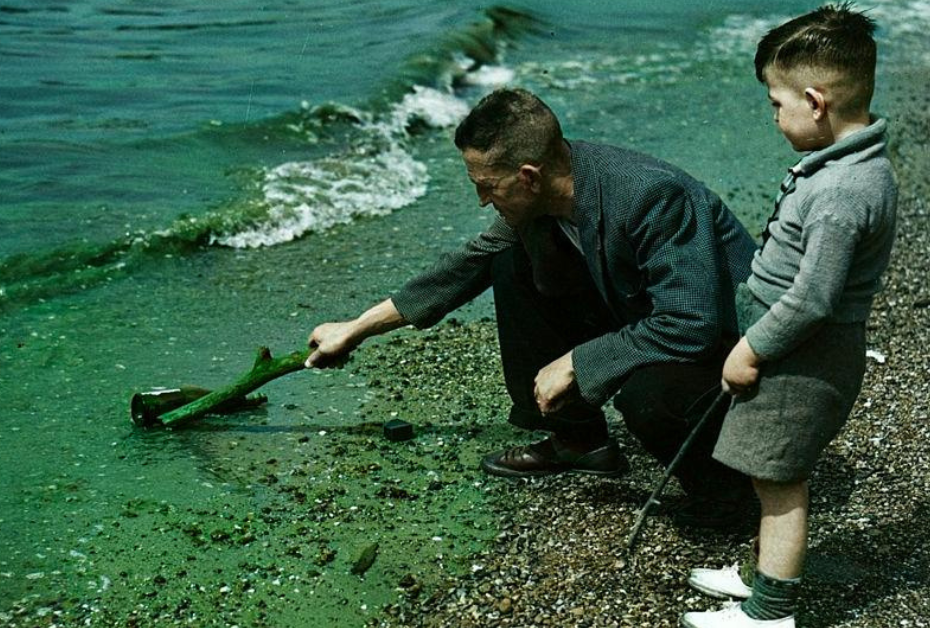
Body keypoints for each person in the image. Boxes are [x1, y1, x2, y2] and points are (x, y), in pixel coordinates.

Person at [306, 87, 760, 528]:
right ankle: (578, 441)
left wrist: (578, 363)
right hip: (648, 313)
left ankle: (729, 495)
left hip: (731, 348)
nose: (483, 200)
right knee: (508, 262)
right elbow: (463, 268)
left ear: (528, 176)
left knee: (651, 398)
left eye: (486, 187)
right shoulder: (544, 199)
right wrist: (356, 328)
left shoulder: (651, 195)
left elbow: (691, 323)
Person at [680, 5, 898, 627]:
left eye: (777, 104)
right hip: (794, 347)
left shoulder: (840, 193)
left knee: (780, 482)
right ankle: (758, 574)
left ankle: (770, 612)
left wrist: (749, 349)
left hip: (803, 355)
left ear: (815, 100)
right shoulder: (849, 163)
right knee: (766, 471)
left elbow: (812, 299)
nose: (774, 117)